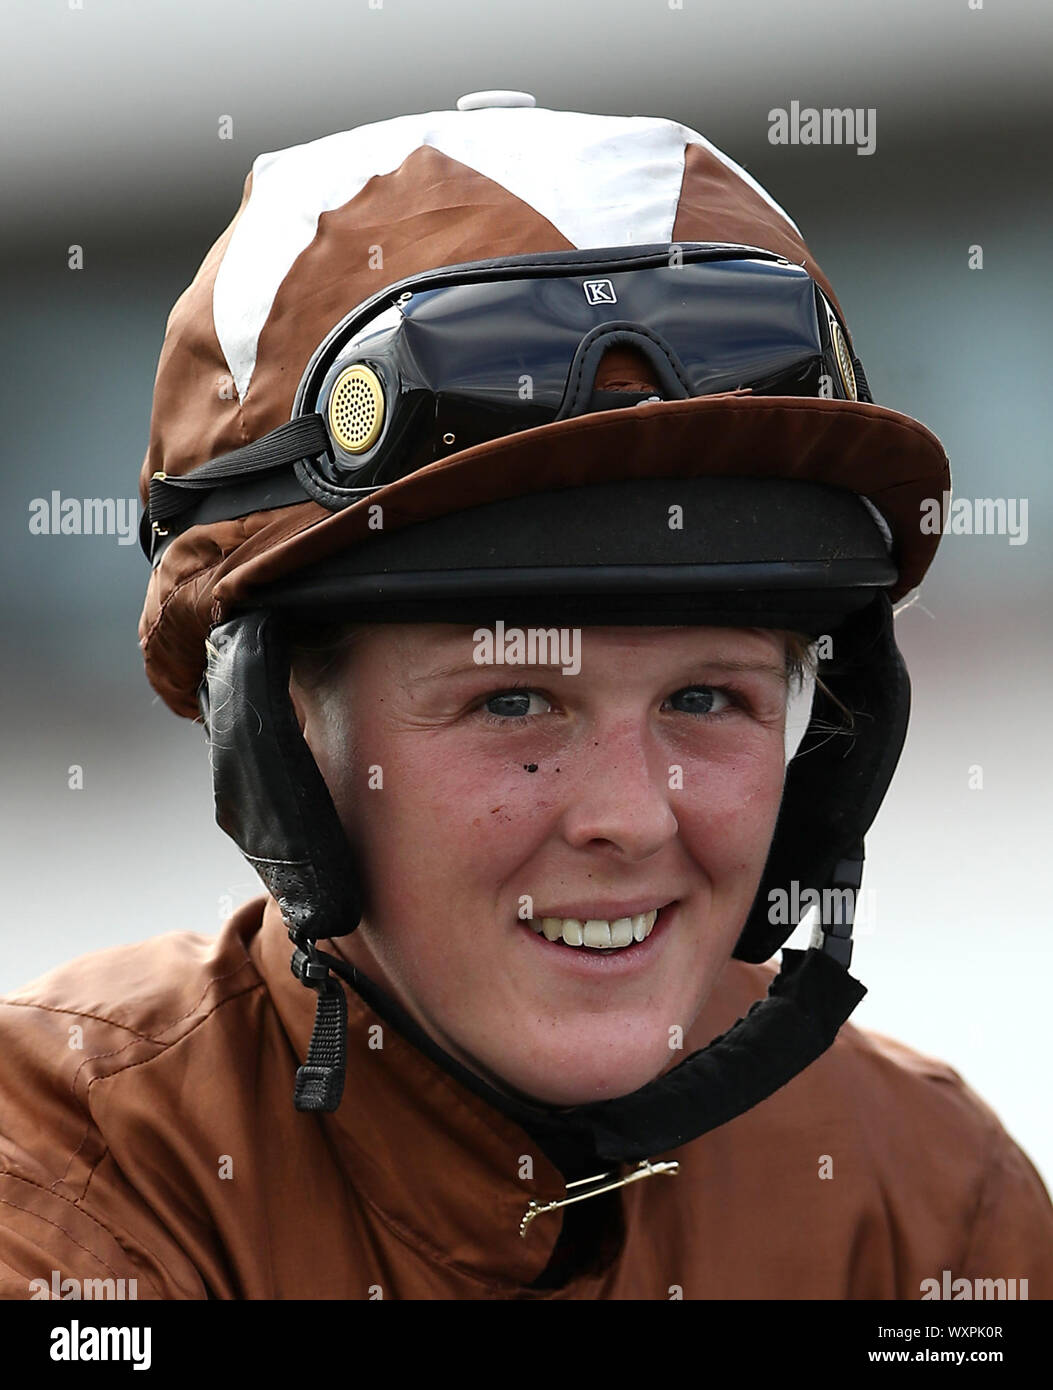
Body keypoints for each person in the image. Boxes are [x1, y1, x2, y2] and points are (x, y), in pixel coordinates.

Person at [1, 92, 1051, 1301]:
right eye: (514, 702)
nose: (632, 816)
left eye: (708, 697)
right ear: (285, 744)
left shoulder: (927, 1211)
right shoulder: (58, 1189)